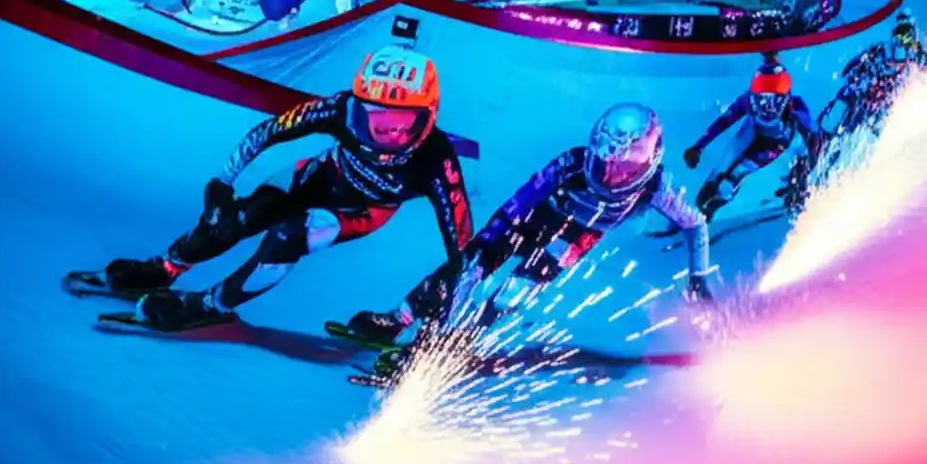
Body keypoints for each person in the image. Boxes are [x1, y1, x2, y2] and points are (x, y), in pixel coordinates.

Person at [95, 44, 475, 331]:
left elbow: (463, 251)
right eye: (373, 120)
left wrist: (223, 178)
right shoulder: (343, 109)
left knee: (287, 236)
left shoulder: (437, 160)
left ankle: (209, 306)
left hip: (351, 209)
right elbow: (274, 129)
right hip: (323, 177)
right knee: (238, 218)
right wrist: (221, 185)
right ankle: (168, 267)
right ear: (357, 107)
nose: (386, 135)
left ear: (427, 118)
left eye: (400, 125)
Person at [334, 102, 715, 356]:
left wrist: (698, 277)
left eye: (623, 170)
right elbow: (524, 198)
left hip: (573, 237)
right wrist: (487, 239)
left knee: (512, 292)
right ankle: (400, 319)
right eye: (604, 163)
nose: (610, 174)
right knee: (467, 266)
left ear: (649, 161)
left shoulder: (657, 188)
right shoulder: (573, 162)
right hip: (538, 217)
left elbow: (696, 224)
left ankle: (455, 341)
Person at [683, 53, 824, 223]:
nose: (768, 108)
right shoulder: (790, 111)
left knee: (726, 179)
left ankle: (704, 212)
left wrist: (699, 147)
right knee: (724, 178)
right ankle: (704, 210)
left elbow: (724, 121)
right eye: (763, 101)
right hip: (772, 141)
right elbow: (813, 138)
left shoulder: (751, 101)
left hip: (765, 140)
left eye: (774, 101)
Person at [818, 12, 927, 138]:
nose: (895, 65)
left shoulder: (912, 57)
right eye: (893, 63)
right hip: (862, 99)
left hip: (877, 108)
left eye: (898, 64)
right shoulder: (879, 54)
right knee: (846, 120)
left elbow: (925, 64)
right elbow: (853, 69)